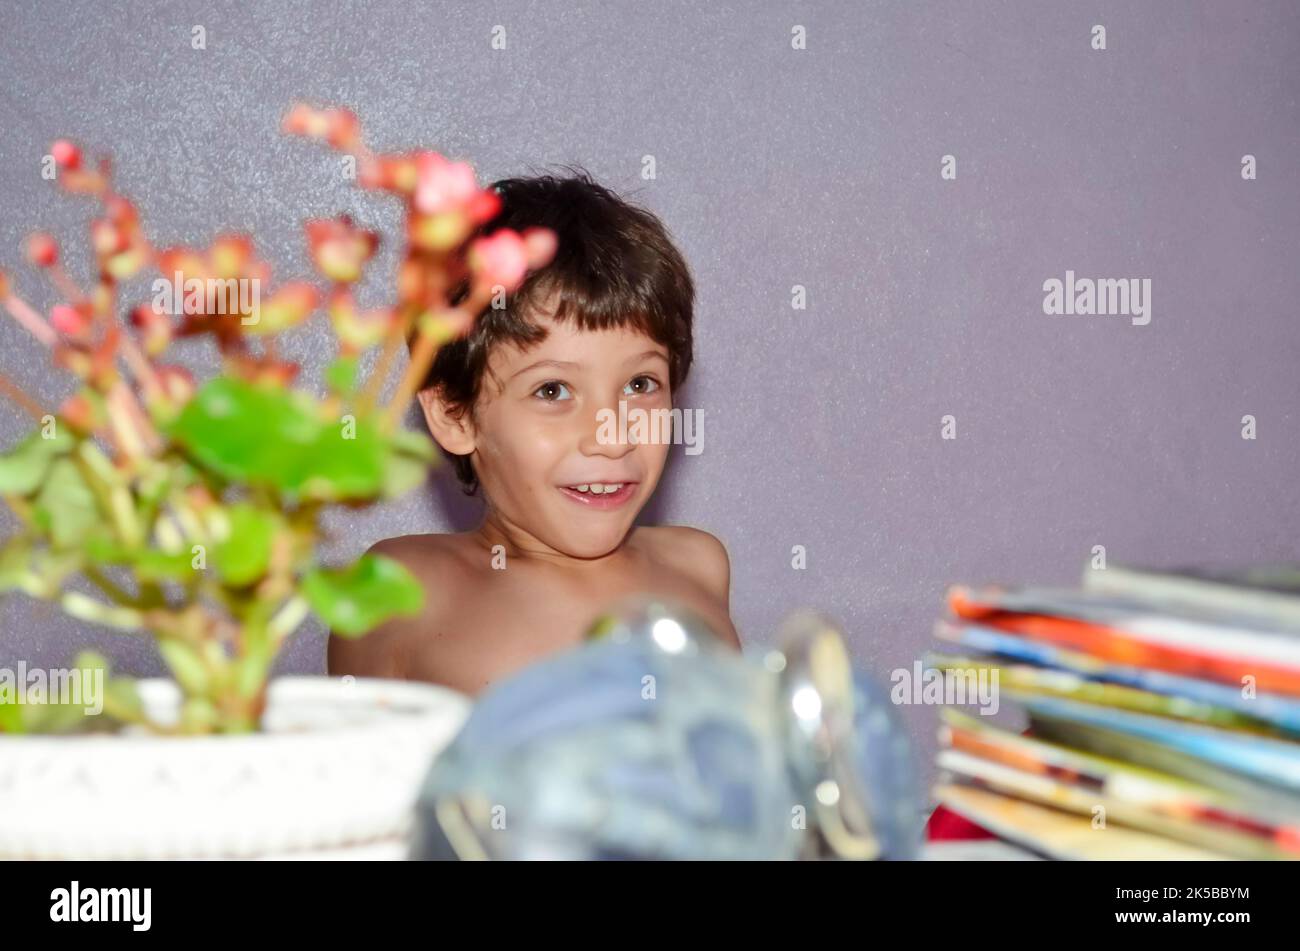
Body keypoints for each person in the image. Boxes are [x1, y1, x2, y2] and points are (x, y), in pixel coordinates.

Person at [329, 169, 741, 695]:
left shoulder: (698, 565)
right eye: (553, 390)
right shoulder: (404, 589)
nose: (613, 437)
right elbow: (354, 746)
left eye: (640, 384)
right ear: (456, 416)